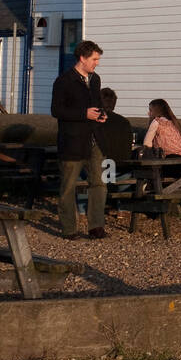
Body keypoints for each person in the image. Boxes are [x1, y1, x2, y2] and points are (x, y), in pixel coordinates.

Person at [52, 40, 108, 240]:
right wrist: (84, 114)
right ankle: (69, 229)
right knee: (68, 186)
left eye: (98, 59)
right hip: (72, 140)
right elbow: (57, 110)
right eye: (94, 59)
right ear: (82, 58)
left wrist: (102, 115)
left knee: (99, 184)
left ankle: (96, 226)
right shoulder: (63, 81)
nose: (97, 63)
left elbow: (98, 104)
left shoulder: (95, 80)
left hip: (94, 139)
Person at [96, 88, 135, 169]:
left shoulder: (94, 121)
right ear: (114, 103)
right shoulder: (124, 122)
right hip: (122, 168)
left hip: (101, 168)